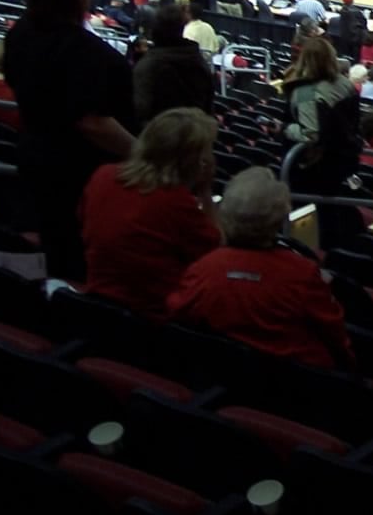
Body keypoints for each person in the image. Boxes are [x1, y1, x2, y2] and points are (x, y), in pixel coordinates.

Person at [4, 0, 136, 280]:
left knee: (48, 249)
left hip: (32, 156)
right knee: (77, 259)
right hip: (79, 175)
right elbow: (92, 122)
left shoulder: (18, 33)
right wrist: (143, 152)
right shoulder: (89, 52)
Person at [167, 167, 350, 369]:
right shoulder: (302, 273)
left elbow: (177, 313)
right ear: (278, 219)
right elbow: (335, 336)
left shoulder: (203, 269)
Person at [79, 108, 222, 318]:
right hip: (151, 314)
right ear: (191, 159)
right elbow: (215, 254)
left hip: (96, 302)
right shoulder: (175, 201)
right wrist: (206, 190)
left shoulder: (103, 176)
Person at [132, 3, 215, 122]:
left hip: (159, 129)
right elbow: (208, 108)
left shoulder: (149, 65)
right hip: (194, 129)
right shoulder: (199, 62)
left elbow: (139, 110)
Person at [281, 37, 353, 143]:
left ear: (304, 59)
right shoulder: (346, 83)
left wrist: (286, 128)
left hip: (318, 151)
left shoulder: (305, 91)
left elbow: (311, 136)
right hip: (347, 147)